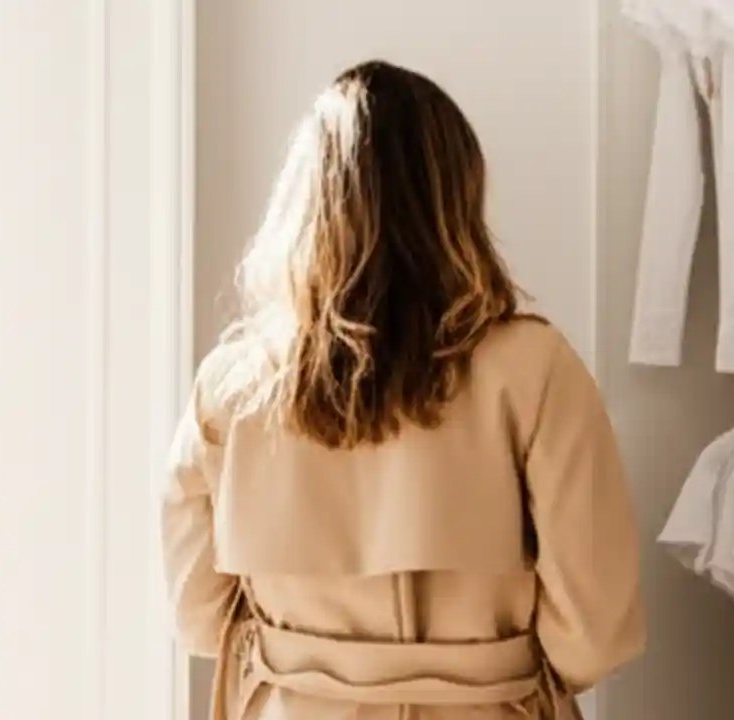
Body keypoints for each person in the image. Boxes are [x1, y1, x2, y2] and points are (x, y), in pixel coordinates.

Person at [161, 60, 645, 719]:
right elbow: (593, 637)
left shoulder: (234, 384)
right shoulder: (536, 369)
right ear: (456, 196)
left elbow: (198, 619)